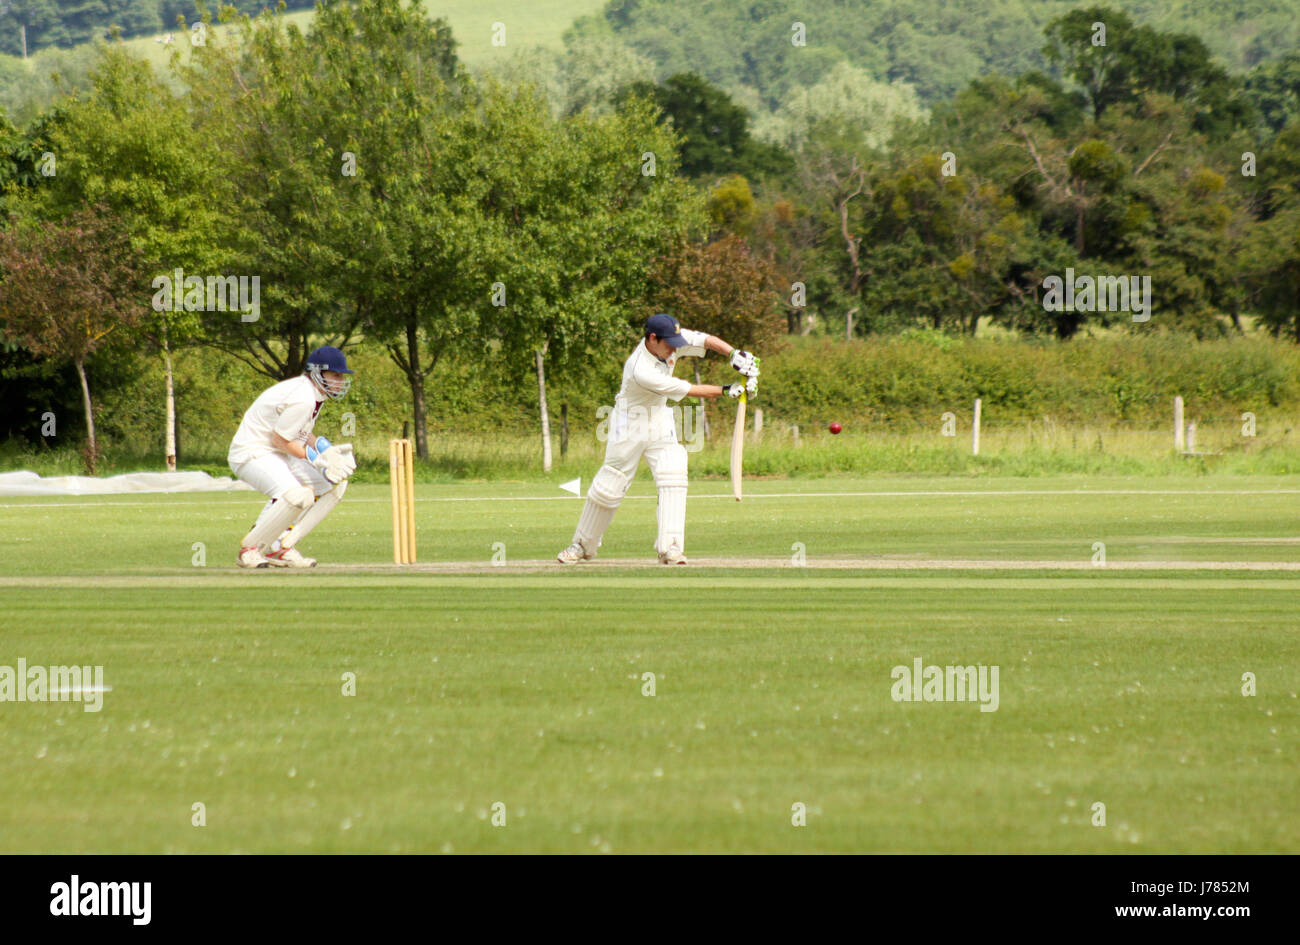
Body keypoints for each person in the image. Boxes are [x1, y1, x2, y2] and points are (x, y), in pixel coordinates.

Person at [557, 313, 759, 566]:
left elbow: (706, 340)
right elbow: (686, 389)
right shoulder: (640, 368)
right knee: (610, 486)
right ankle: (581, 545)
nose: (675, 348)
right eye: (669, 344)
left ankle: (671, 549)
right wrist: (727, 390)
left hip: (660, 420)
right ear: (652, 339)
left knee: (673, 473)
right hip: (629, 424)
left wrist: (733, 354)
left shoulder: (670, 338)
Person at [227, 346, 357, 569]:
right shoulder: (303, 397)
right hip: (252, 452)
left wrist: (324, 448)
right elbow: (280, 440)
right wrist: (315, 459)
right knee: (296, 495)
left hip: (276, 451)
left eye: (341, 376)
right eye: (335, 375)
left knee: (331, 484)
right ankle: (250, 550)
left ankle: (279, 546)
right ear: (318, 373)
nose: (340, 381)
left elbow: (299, 432)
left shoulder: (313, 394)